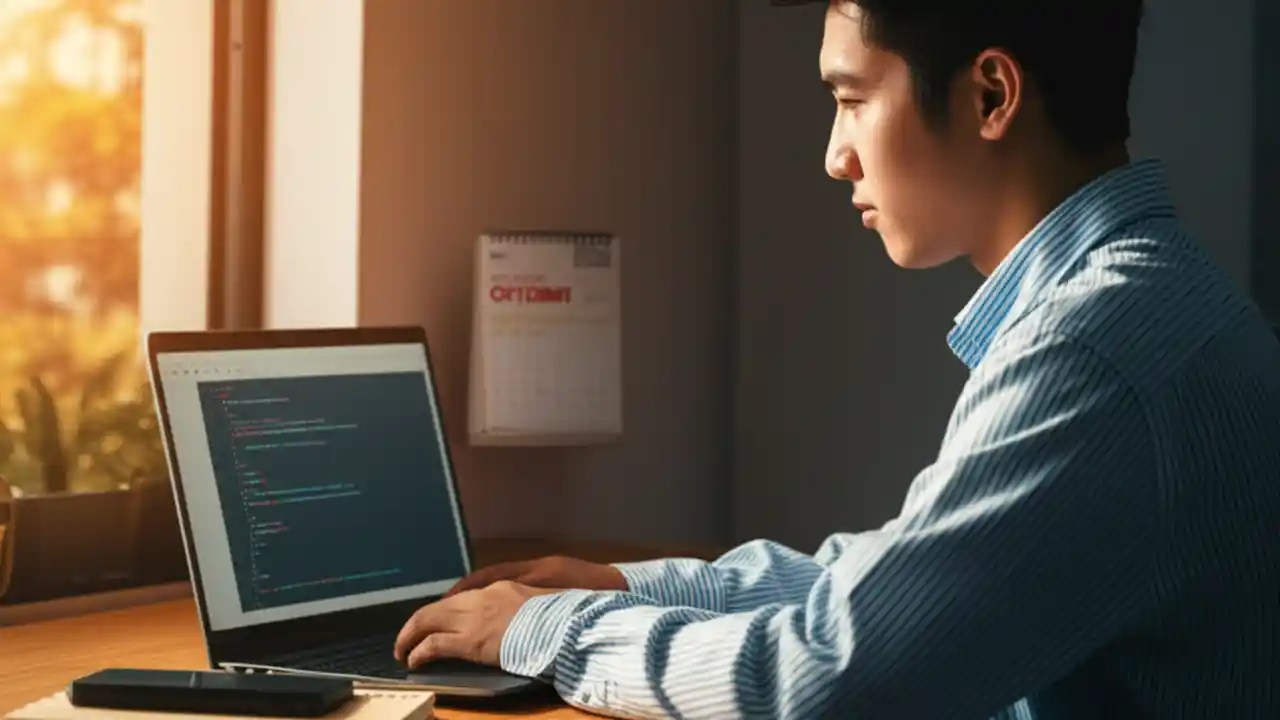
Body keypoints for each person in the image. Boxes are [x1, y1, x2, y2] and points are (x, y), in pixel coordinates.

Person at [394, 1, 1280, 717]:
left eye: (852, 98)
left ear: (990, 97)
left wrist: (547, 629)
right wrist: (631, 584)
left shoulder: (1091, 352)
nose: (834, 154)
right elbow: (892, 586)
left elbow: (832, 675)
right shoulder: (1153, 302)